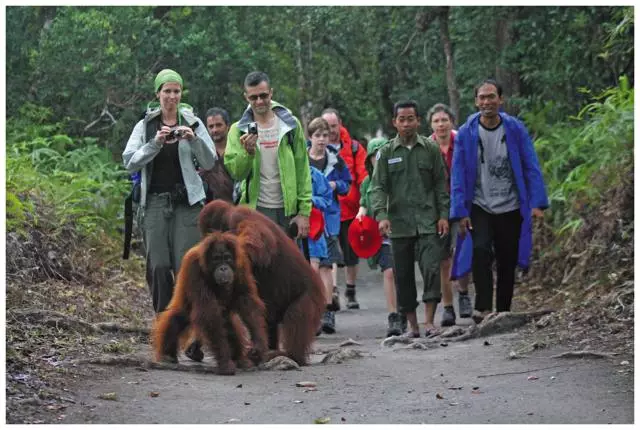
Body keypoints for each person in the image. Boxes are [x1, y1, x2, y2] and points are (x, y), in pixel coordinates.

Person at [450, 79, 549, 323]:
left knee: (507, 256)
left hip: (511, 204)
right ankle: (482, 307)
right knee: (481, 250)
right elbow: (458, 173)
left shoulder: (515, 129)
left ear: (500, 100)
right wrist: (460, 210)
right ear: (476, 102)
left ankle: (503, 309)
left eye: (491, 97)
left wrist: (537, 202)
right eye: (482, 97)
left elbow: (530, 165)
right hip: (480, 204)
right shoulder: (466, 132)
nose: (487, 102)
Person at [122, 69, 217, 315]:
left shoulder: (192, 122)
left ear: (181, 94)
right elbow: (129, 161)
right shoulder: (145, 125)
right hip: (153, 203)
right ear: (158, 93)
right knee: (159, 267)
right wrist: (155, 143)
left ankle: (193, 327)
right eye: (167, 91)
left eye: (176, 91)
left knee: (186, 266)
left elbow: (209, 162)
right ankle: (166, 326)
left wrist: (193, 139)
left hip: (187, 204)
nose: (172, 96)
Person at [369, 100, 450, 338]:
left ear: (418, 121)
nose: (406, 124)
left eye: (410, 119)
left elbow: (440, 184)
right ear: (395, 122)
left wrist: (443, 215)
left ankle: (429, 323)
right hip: (399, 224)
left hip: (427, 221)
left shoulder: (430, 149)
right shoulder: (386, 153)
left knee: (432, 269)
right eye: (401, 119)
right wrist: (381, 216)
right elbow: (378, 187)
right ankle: (413, 327)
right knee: (403, 276)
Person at [225, 71, 312, 238]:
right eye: (253, 97)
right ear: (246, 97)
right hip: (256, 211)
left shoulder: (290, 125)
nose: (259, 101)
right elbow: (236, 172)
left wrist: (304, 212)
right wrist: (247, 153)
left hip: (288, 211)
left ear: (271, 93)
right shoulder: (237, 130)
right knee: (259, 262)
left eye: (263, 95)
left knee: (288, 263)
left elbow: (303, 170)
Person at [427, 103, 472, 327]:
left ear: (451, 121)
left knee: (463, 253)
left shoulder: (462, 141)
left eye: (444, 120)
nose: (441, 124)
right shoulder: (427, 147)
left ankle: (463, 294)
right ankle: (447, 308)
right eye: (436, 121)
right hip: (438, 210)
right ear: (431, 125)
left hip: (462, 205)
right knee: (443, 260)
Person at [306, 117, 352, 330]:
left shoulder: (336, 160)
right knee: (309, 267)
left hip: (329, 219)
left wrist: (336, 185)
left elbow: (347, 184)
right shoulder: (301, 161)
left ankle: (327, 311)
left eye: (325, 135)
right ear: (310, 137)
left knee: (326, 266)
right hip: (305, 221)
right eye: (317, 136)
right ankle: (311, 311)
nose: (322, 140)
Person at [355, 137, 403, 337]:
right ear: (370, 159)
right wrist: (360, 215)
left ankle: (404, 311)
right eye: (376, 156)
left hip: (401, 231)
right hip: (381, 234)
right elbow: (364, 202)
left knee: (402, 273)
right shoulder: (368, 181)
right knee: (389, 272)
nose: (379, 159)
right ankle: (393, 315)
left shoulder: (400, 176)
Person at [321, 108, 368, 309]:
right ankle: (332, 292)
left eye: (333, 126)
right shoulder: (316, 147)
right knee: (330, 255)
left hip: (350, 209)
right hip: (327, 210)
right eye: (327, 127)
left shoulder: (355, 148)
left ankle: (351, 290)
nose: (331, 131)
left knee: (351, 254)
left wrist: (365, 203)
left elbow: (363, 175)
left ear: (340, 124)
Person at [198, 107, 235, 203]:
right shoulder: (202, 153)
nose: (214, 130)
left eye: (219, 125)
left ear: (228, 126)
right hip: (210, 207)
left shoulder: (237, 150)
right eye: (211, 126)